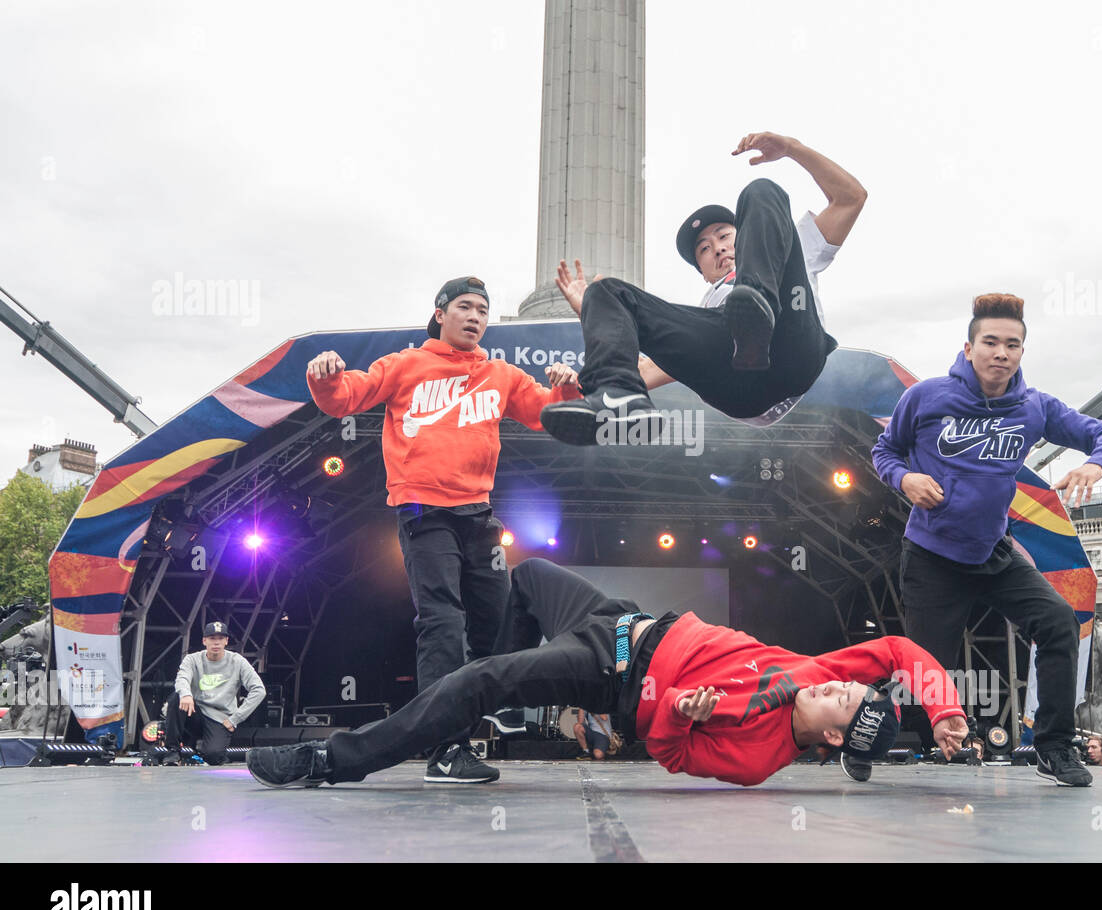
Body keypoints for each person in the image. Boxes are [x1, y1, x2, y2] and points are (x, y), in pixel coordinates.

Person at [246, 558, 969, 789]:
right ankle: (469, 714)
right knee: (525, 577)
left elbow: (669, 752)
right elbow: (903, 651)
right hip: (622, 616)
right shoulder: (820, 669)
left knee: (480, 680)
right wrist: (942, 709)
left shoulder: (759, 753)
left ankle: (330, 759)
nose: (837, 682)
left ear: (836, 739)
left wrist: (685, 714)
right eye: (849, 681)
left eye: (843, 699)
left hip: (612, 672)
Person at [306, 277, 581, 783]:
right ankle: (446, 750)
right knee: (443, 624)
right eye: (464, 307)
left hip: (478, 516)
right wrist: (325, 376)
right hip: (423, 512)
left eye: (482, 310)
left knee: (499, 618)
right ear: (440, 313)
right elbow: (346, 397)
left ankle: (494, 705)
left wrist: (564, 384)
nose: (475, 316)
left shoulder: (500, 373)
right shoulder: (406, 364)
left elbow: (547, 414)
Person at [871, 293, 1102, 787]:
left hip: (993, 553)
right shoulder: (926, 397)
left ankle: (1053, 746)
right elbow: (885, 450)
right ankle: (864, 736)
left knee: (1058, 624)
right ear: (968, 348)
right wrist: (904, 480)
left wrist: (1093, 464)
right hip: (932, 557)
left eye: (1012, 344)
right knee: (921, 670)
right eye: (990, 342)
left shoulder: (1034, 408)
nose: (1001, 352)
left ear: (1021, 353)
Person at [540, 130, 867, 445]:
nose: (719, 249)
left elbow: (850, 198)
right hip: (739, 382)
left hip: (793, 346)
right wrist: (594, 310)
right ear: (704, 273)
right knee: (607, 291)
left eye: (724, 237)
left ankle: (759, 307)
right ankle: (618, 401)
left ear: (744, 234)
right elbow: (645, 368)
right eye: (705, 249)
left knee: (762, 190)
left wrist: (793, 148)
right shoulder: (709, 308)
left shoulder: (789, 244)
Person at [161, 621, 265, 765]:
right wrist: (186, 694)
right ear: (204, 641)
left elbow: (259, 690)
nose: (216, 643)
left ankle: (210, 752)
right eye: (212, 639)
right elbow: (182, 678)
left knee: (213, 756)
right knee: (176, 697)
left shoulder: (237, 661)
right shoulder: (192, 659)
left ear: (226, 641)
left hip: (219, 718)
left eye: (220, 639)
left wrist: (236, 718)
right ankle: (172, 751)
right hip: (195, 712)